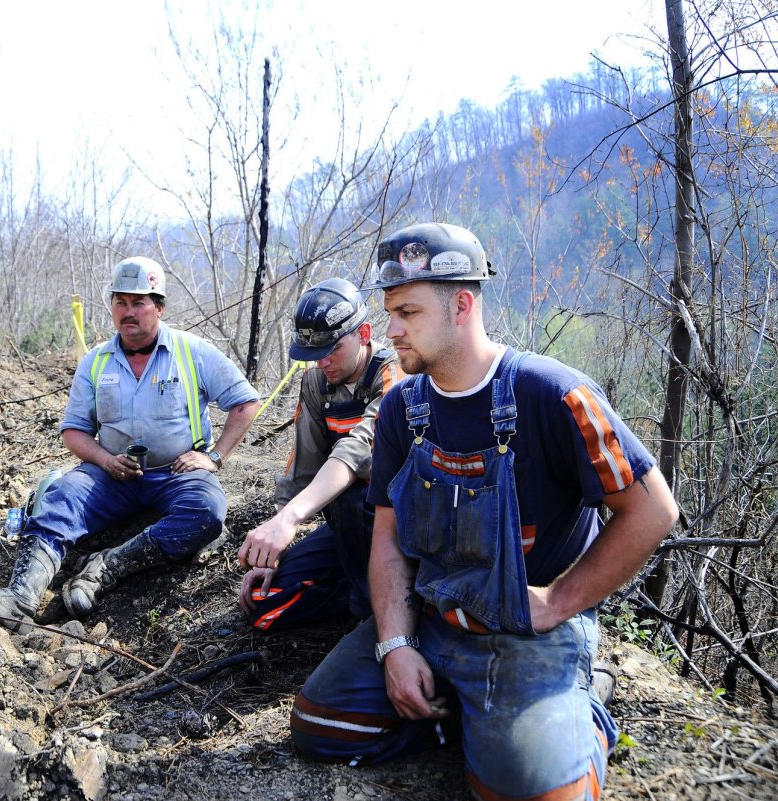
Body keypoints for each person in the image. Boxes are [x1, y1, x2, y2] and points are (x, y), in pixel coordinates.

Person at [290, 223, 679, 800]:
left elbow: (653, 512)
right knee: (320, 728)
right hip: (433, 620)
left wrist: (559, 603)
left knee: (534, 795)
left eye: (408, 312)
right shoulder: (402, 408)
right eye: (391, 310)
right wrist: (395, 646)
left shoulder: (553, 394)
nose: (391, 330)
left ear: (462, 305)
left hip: (526, 634)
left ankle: (579, 706)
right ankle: (473, 722)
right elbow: (389, 541)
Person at [0, 256, 261, 631]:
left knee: (207, 512)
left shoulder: (192, 353)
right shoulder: (96, 362)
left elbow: (246, 402)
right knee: (60, 497)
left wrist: (213, 457)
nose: (129, 312)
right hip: (113, 476)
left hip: (178, 473)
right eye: (120, 302)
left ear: (158, 307)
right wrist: (105, 460)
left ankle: (108, 565)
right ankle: (17, 599)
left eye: (139, 303)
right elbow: (74, 431)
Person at [237, 278, 403, 631]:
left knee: (352, 494)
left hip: (400, 523)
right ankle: (359, 590)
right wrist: (273, 548)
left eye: (333, 348)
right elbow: (303, 467)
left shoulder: (394, 374)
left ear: (364, 333)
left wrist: (290, 520)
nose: (324, 361)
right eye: (314, 354)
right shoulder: (314, 383)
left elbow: (359, 449)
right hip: (349, 530)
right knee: (265, 604)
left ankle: (379, 610)